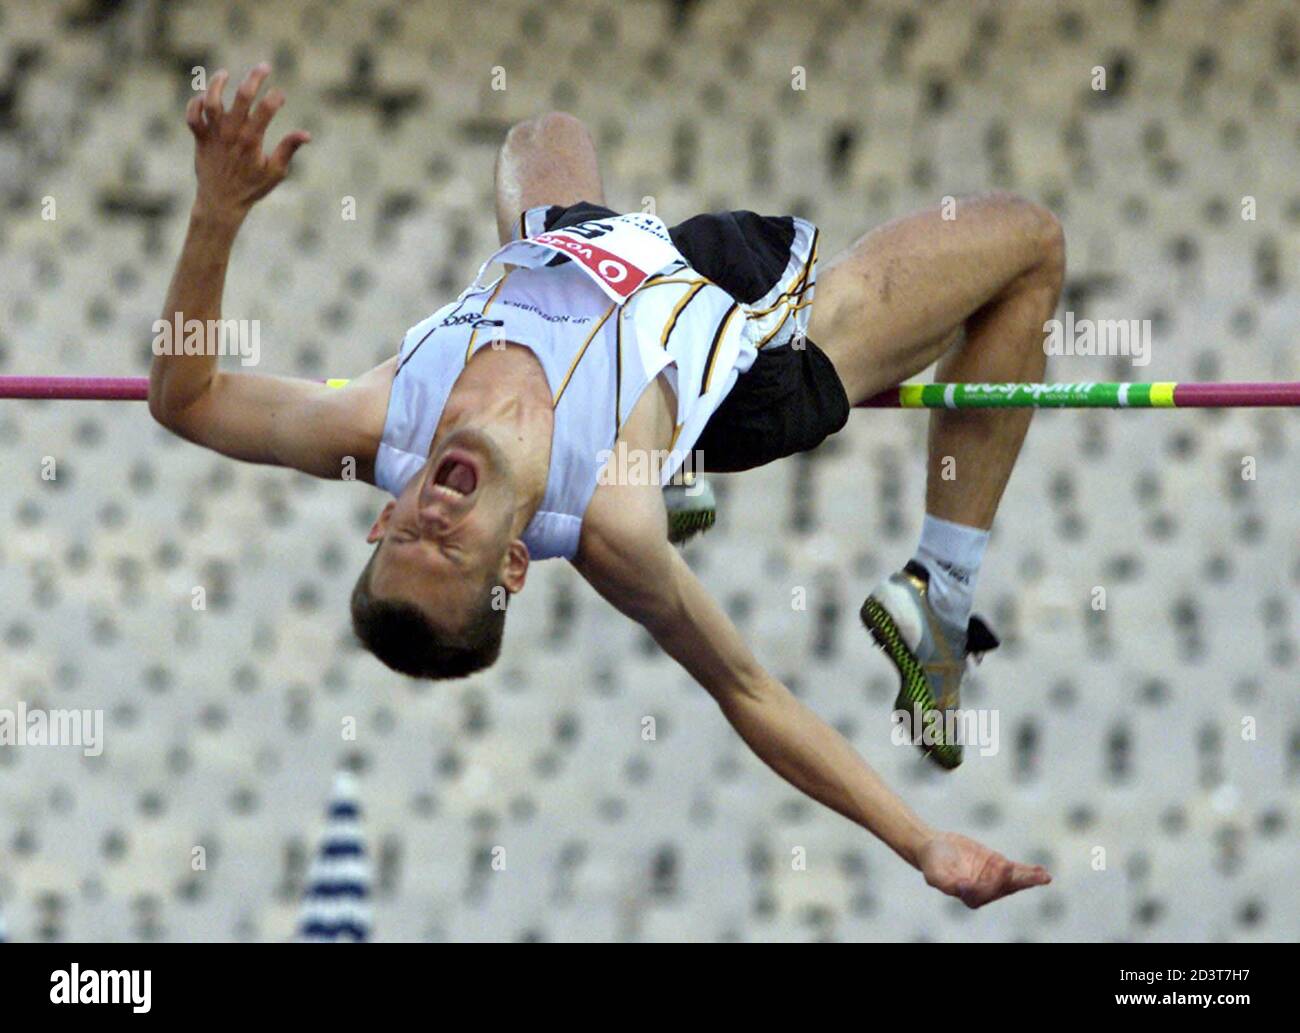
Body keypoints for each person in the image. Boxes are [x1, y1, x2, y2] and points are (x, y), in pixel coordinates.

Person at [151, 65, 1059, 908]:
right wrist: (919, 843)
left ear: (383, 514)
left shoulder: (383, 418)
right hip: (754, 343)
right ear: (512, 563)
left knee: (544, 132)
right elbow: (746, 690)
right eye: (449, 547)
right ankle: (939, 595)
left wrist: (217, 211)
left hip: (597, 255)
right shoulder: (606, 519)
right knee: (1028, 242)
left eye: (406, 534)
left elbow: (186, 400)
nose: (431, 515)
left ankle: (677, 466)